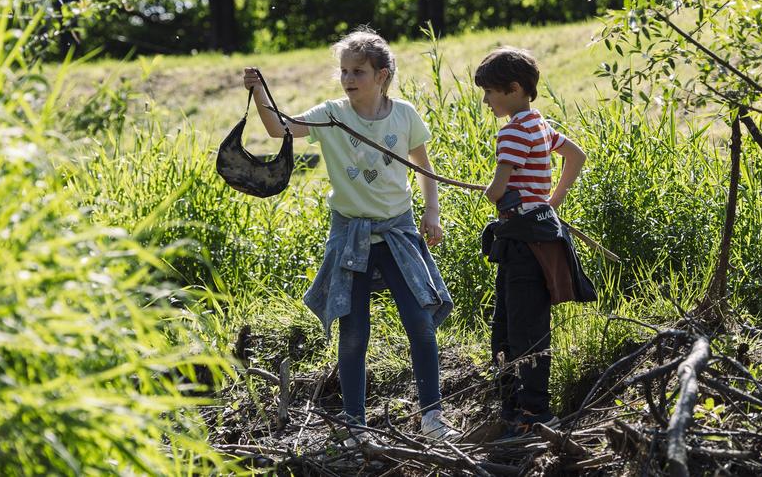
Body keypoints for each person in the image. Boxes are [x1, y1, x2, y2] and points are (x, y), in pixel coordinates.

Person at [242, 27, 458, 443]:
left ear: (382, 75)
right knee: (354, 330)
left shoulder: (404, 115)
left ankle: (433, 416)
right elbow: (278, 128)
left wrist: (432, 212)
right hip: (351, 235)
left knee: (420, 321)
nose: (348, 78)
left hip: (399, 232)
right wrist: (258, 92)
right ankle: (355, 425)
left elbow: (425, 168)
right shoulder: (331, 113)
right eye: (343, 71)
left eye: (357, 71)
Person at [474, 46, 592, 437]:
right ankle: (514, 410)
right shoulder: (540, 124)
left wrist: (493, 192)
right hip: (535, 234)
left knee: (516, 328)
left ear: (513, 89)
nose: (487, 100)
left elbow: (497, 188)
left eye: (490, 92)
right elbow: (576, 155)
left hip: (522, 242)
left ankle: (532, 415)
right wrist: (550, 202)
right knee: (520, 324)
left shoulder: (511, 130)